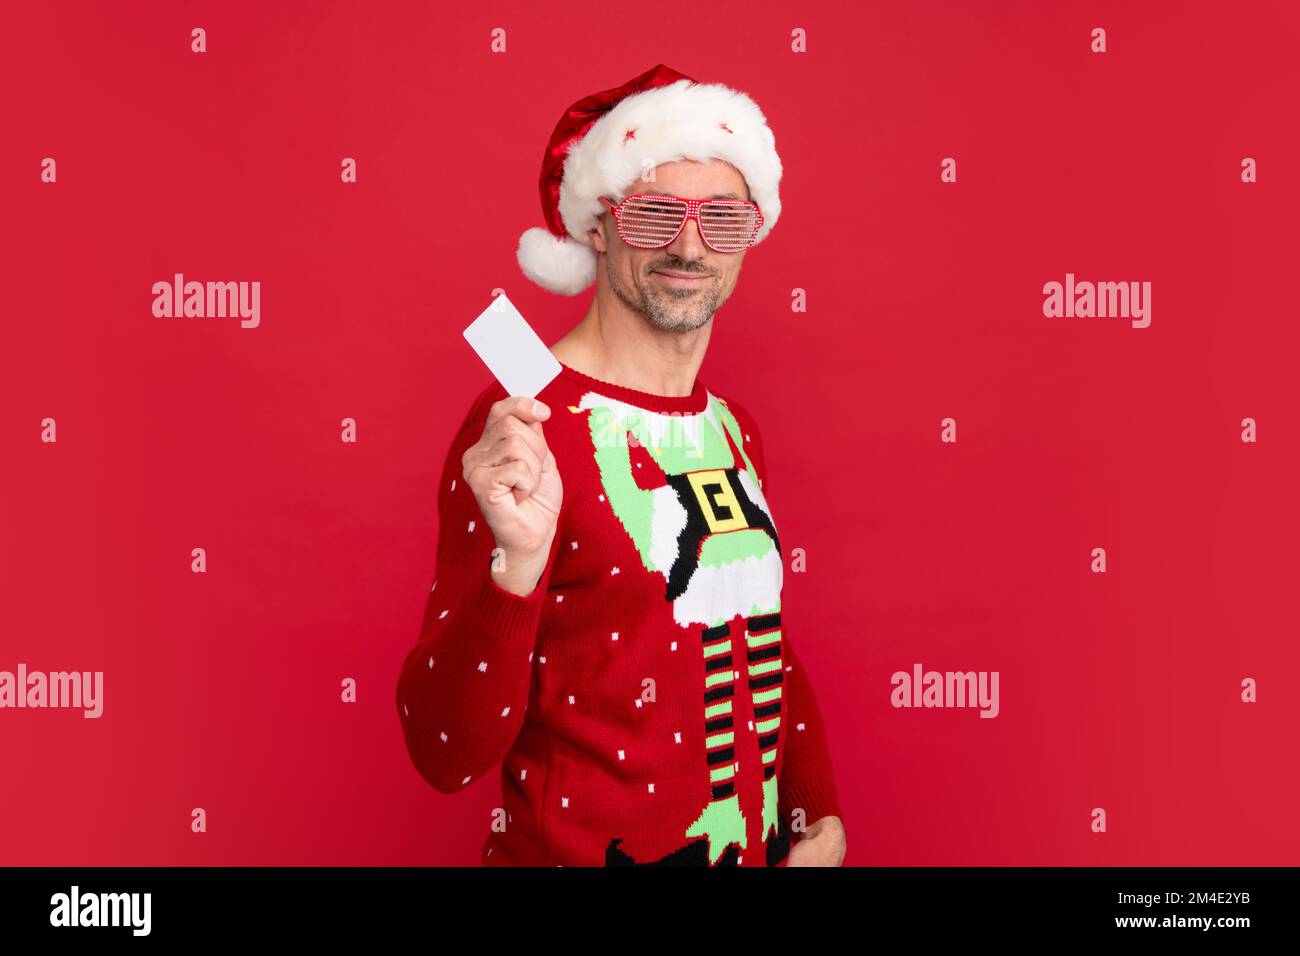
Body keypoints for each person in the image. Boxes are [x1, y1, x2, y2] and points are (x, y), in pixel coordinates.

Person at [396, 63, 846, 866]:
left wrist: (819, 814)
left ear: (753, 231)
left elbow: (759, 636)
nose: (689, 245)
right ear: (596, 227)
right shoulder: (524, 430)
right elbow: (443, 749)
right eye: (654, 215)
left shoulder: (734, 429)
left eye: (723, 219)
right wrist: (517, 566)